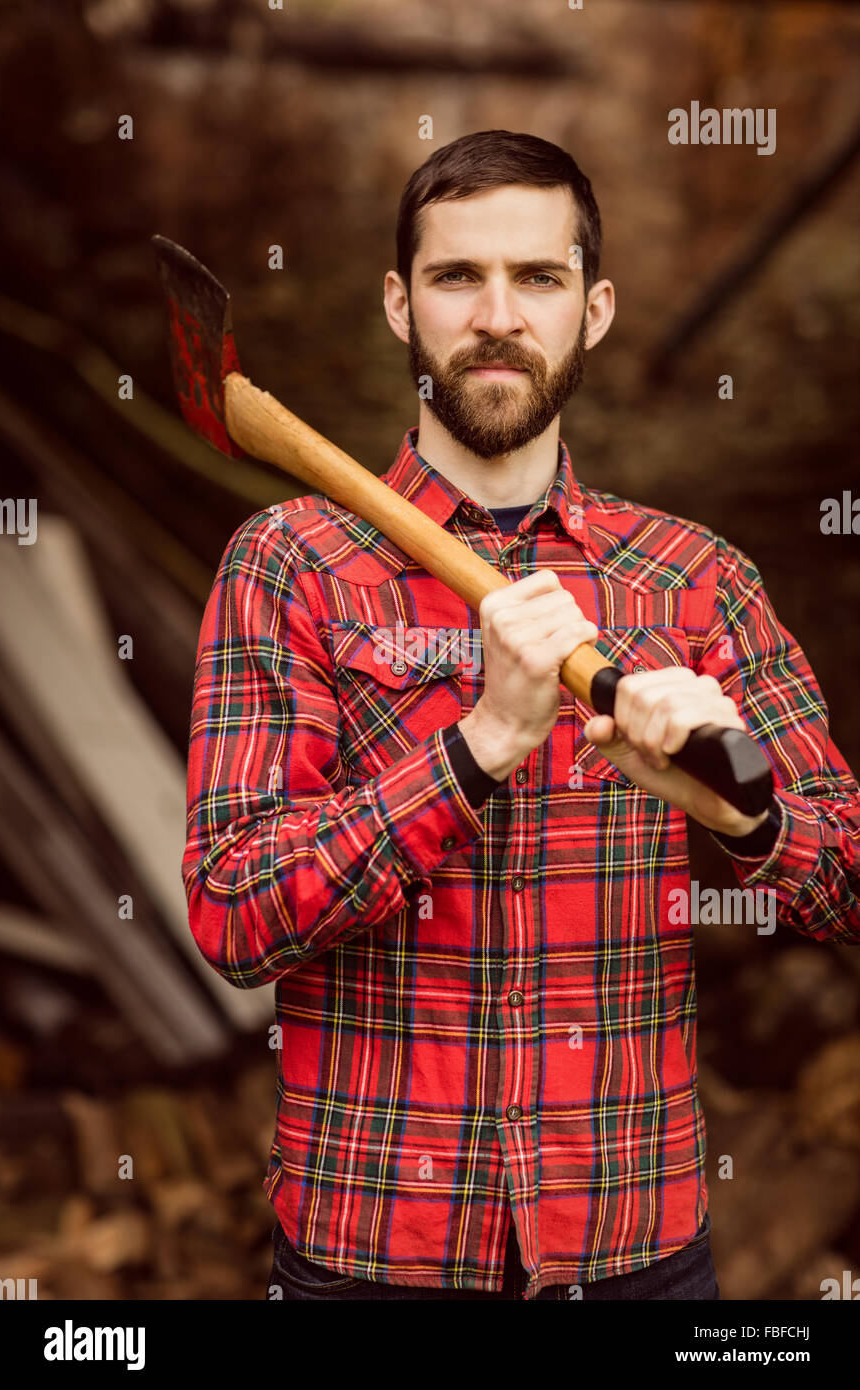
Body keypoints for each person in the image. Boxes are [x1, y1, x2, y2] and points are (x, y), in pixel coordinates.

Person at [181, 130, 860, 1301]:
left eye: (536, 278)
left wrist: (741, 814)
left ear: (591, 309)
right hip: (368, 1255)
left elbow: (845, 869)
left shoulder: (695, 583)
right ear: (400, 305)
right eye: (457, 277)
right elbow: (234, 910)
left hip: (635, 1254)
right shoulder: (288, 566)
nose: (497, 315)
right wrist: (475, 747)